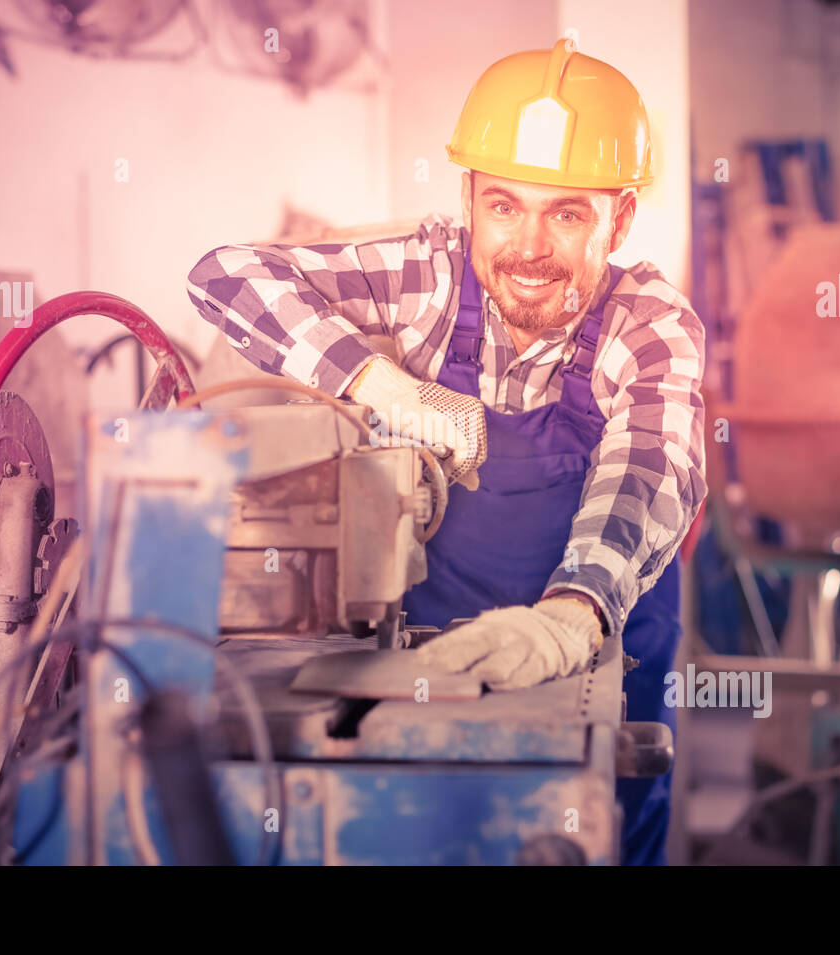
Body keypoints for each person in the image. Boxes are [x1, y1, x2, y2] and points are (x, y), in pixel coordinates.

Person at [187, 37, 707, 865]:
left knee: (601, 818)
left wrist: (573, 614)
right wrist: (380, 384)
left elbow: (652, 464)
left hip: (604, 634)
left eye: (568, 212)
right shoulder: (426, 278)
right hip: (440, 643)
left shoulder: (649, 323)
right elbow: (222, 276)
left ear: (621, 217)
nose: (528, 246)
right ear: (469, 198)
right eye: (503, 205)